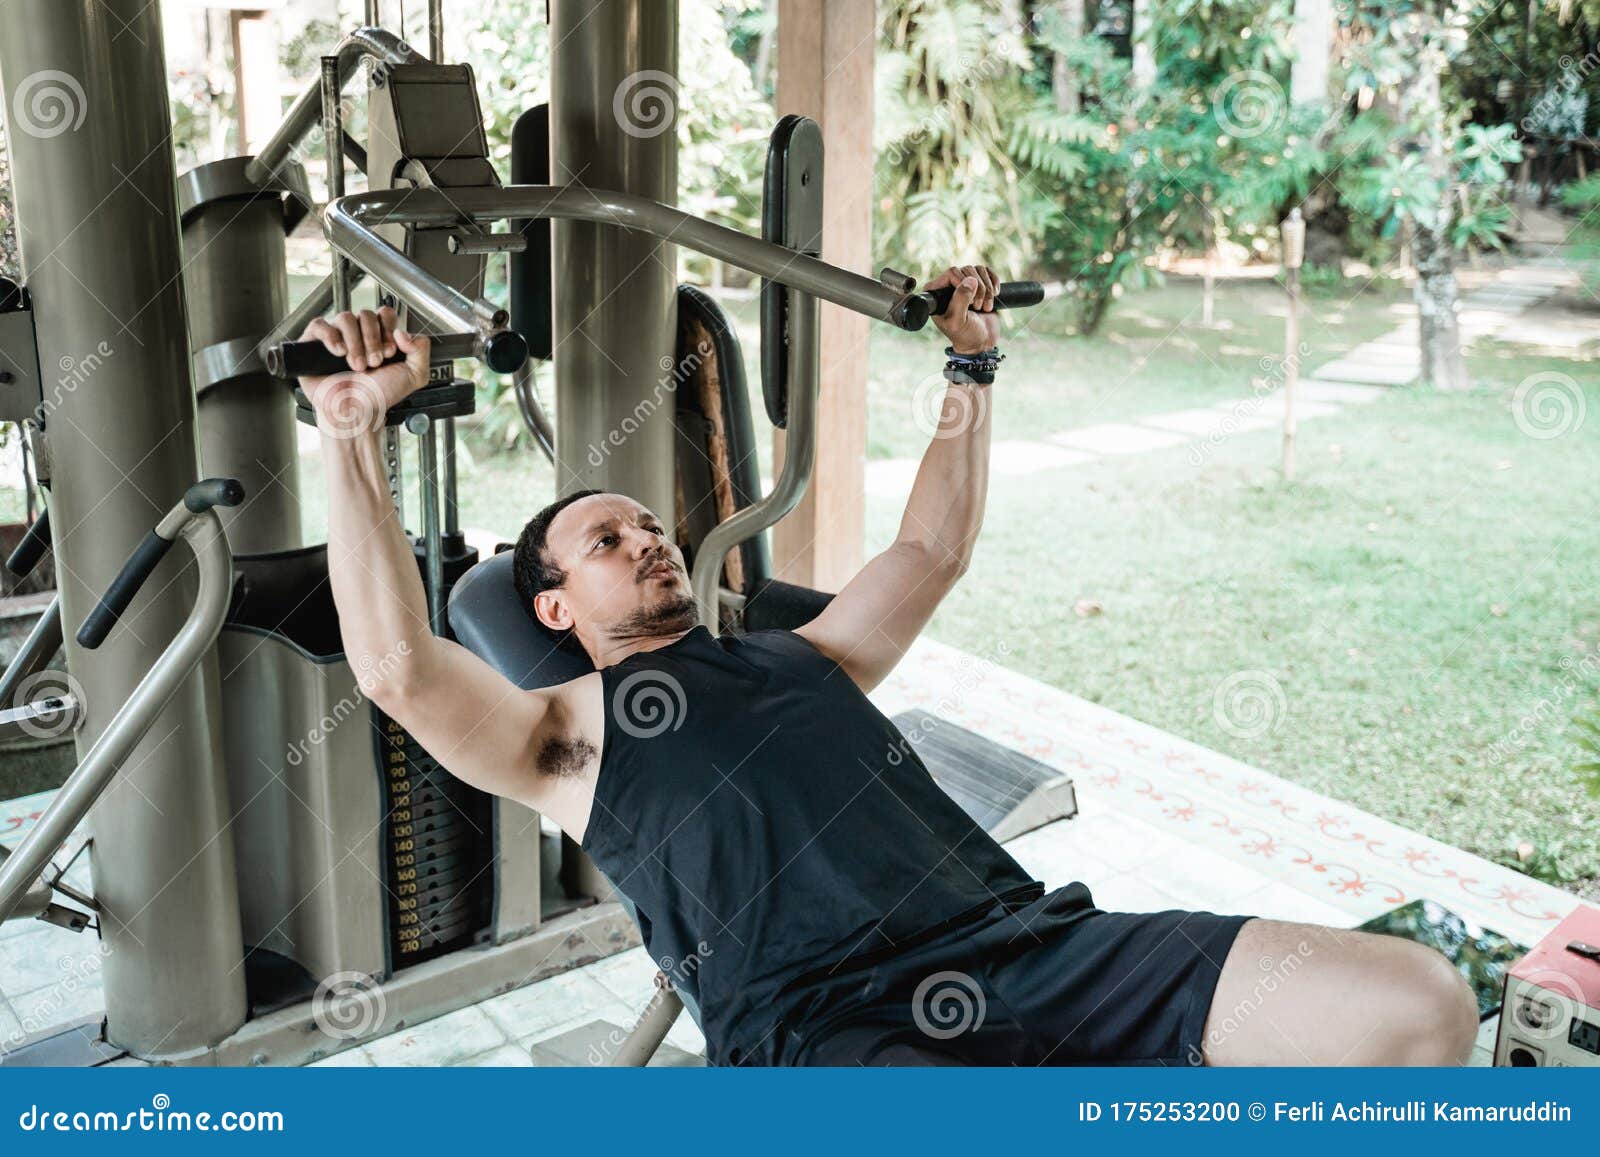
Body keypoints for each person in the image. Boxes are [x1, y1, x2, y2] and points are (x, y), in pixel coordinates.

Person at [300, 268, 1479, 1067]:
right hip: (834, 1034)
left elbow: (931, 547)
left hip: (1036, 947)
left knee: (1416, 1003)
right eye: (605, 540)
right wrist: (354, 434)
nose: (648, 537)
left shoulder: (804, 656)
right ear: (552, 604)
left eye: (647, 522)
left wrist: (973, 367)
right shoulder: (560, 736)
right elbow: (399, 667)